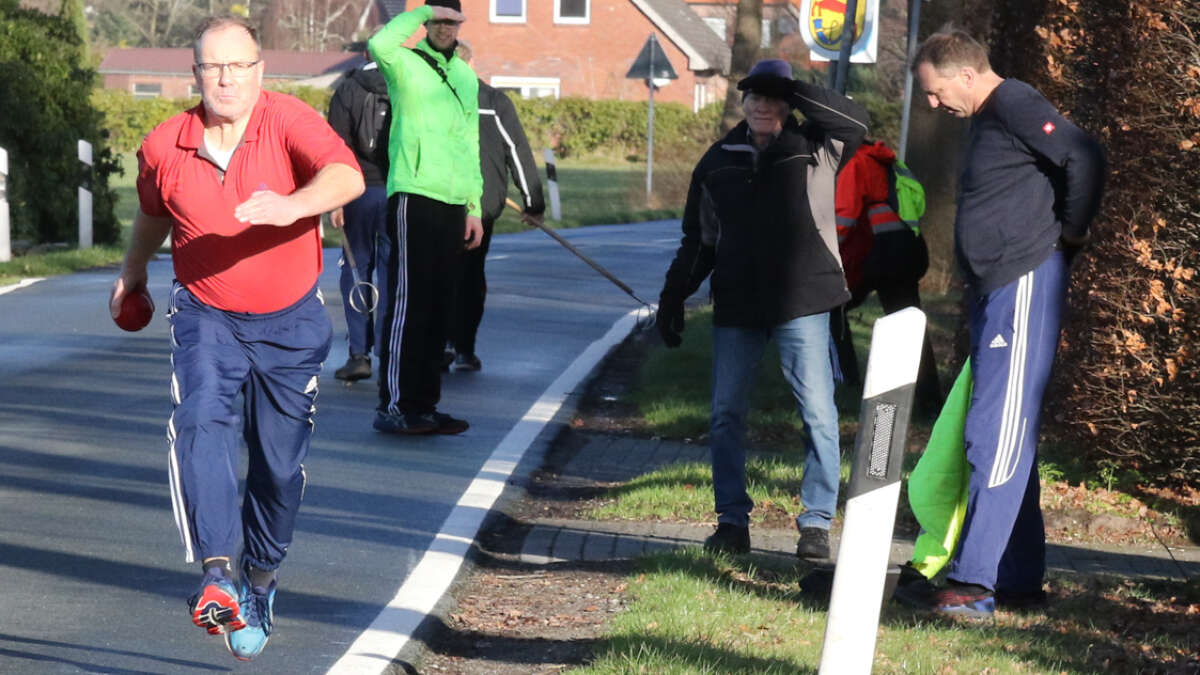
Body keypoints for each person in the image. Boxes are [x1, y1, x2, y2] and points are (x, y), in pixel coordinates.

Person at [108, 15, 364, 661]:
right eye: (212, 66)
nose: (226, 77)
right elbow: (152, 213)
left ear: (259, 70)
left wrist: (293, 204)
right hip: (206, 316)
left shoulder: (288, 120)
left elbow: (347, 177)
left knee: (277, 468)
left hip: (290, 323)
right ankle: (218, 574)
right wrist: (132, 272)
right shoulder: (167, 143)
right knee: (200, 420)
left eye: (239, 65)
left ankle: (260, 577)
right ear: (194, 73)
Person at [898, 29, 1105, 617]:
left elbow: (1083, 155)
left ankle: (974, 585)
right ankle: (1015, 579)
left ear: (965, 74)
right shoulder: (991, 118)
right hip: (997, 290)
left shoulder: (1012, 102)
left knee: (996, 434)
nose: (934, 105)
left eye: (936, 92)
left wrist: (1071, 233)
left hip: (1022, 283)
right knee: (1003, 433)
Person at [656, 59, 868, 560]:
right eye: (755, 97)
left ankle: (816, 522)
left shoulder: (818, 146)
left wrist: (791, 86)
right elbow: (699, 241)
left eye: (774, 98)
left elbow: (855, 121)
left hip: (804, 300)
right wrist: (674, 295)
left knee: (817, 413)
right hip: (738, 303)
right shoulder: (717, 162)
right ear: (742, 103)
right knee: (726, 414)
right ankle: (731, 521)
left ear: (789, 103)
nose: (764, 106)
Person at [368, 0, 483, 435]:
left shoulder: (465, 77)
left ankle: (425, 405)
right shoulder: (405, 63)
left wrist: (473, 206)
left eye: (452, 20)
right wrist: (419, 13)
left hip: (454, 201)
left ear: (461, 24)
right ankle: (395, 405)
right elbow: (379, 40)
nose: (444, 27)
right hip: (414, 194)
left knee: (439, 308)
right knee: (408, 304)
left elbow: (469, 143)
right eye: (438, 19)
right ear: (428, 21)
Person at [446, 39, 545, 372]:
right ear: (472, 64)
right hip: (483, 205)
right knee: (471, 275)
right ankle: (463, 348)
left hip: (435, 198)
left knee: (437, 273)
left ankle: (440, 343)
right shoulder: (493, 101)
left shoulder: (428, 98)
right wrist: (533, 202)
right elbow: (517, 152)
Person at [831, 139, 942, 411]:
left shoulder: (854, 160)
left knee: (830, 309)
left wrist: (825, 246)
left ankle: (846, 382)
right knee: (909, 324)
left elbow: (844, 214)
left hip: (877, 252)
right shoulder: (883, 158)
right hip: (904, 247)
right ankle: (928, 397)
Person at [327, 45, 394, 382]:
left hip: (355, 191)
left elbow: (334, 147)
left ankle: (358, 353)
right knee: (392, 272)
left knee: (356, 269)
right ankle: (389, 350)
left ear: (366, 54)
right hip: (397, 192)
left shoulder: (347, 89)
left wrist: (335, 200)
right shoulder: (406, 86)